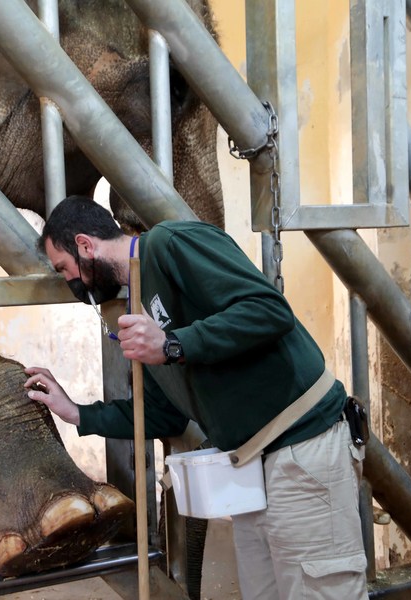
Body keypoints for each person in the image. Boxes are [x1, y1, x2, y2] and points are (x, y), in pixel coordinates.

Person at [23, 195, 367, 600]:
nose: (71, 282)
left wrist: (172, 344)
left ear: (85, 246)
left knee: (323, 591)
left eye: (64, 268)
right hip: (250, 465)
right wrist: (77, 413)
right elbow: (162, 415)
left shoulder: (170, 243)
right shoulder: (134, 305)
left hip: (302, 446)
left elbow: (269, 311)